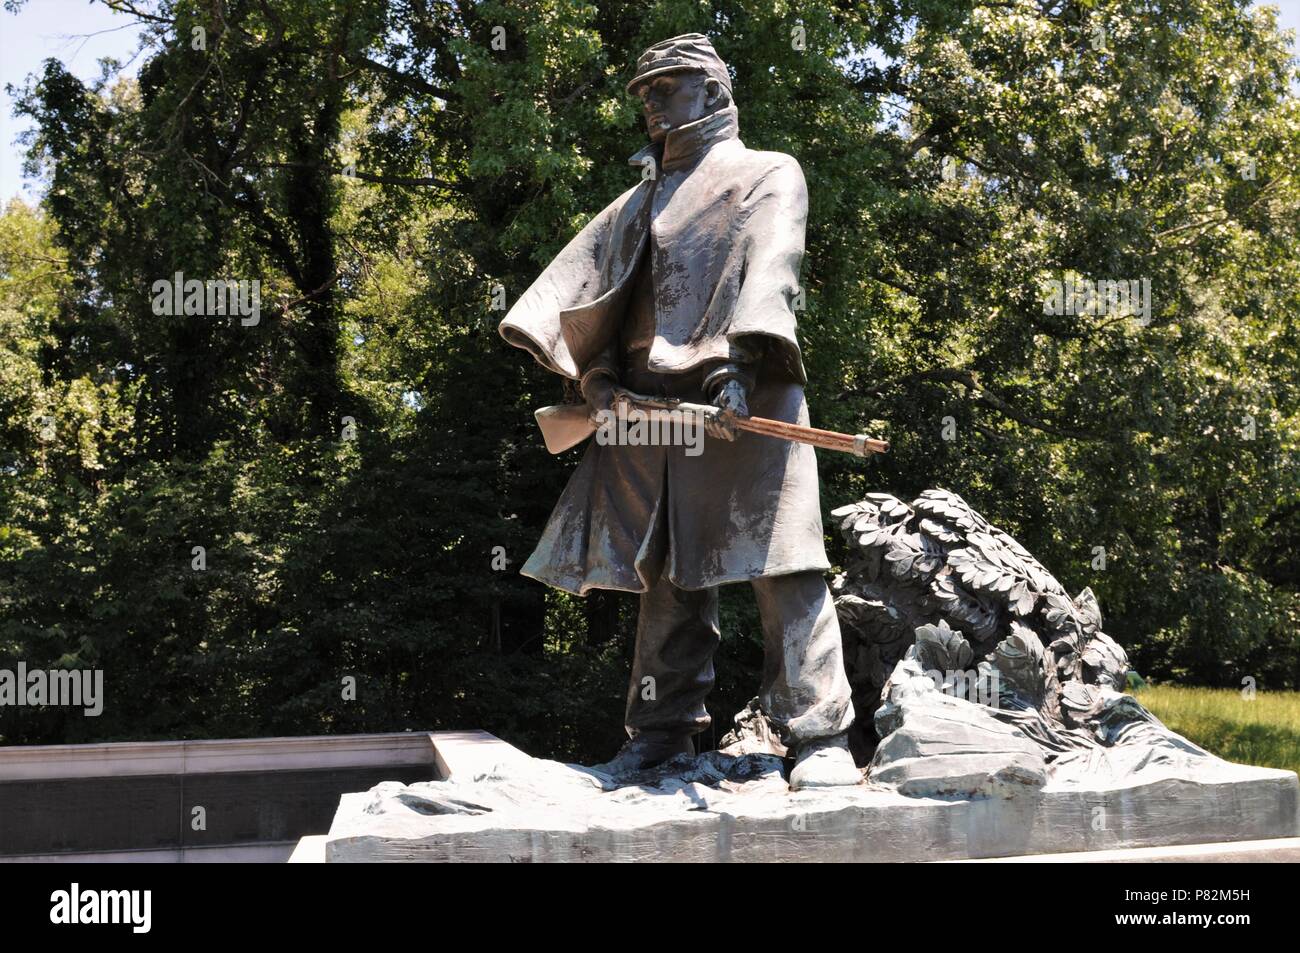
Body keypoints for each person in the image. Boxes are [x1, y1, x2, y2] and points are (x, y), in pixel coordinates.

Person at [499, 34, 859, 788]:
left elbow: (774, 269)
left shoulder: (767, 173)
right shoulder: (638, 199)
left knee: (784, 563)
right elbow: (594, 303)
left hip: (746, 397)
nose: (652, 104)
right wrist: (596, 381)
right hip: (649, 412)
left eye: (668, 87)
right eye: (644, 93)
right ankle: (661, 736)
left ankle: (821, 735)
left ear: (713, 91)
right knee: (667, 580)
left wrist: (739, 368)